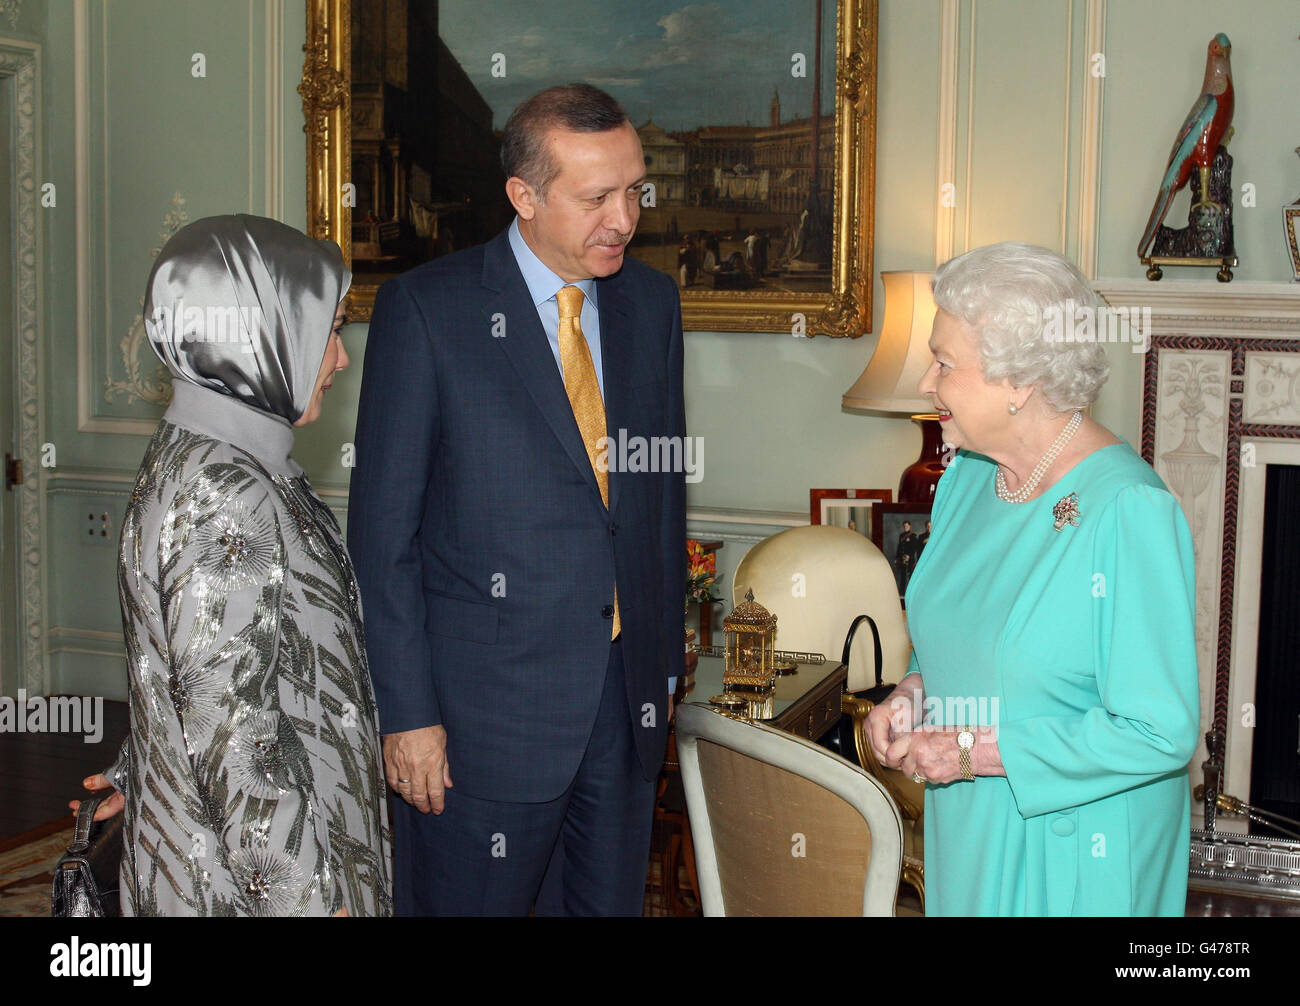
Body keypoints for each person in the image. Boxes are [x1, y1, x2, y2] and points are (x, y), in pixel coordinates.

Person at [348, 83, 686, 917]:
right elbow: (382, 539)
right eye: (597, 196)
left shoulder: (651, 305)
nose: (625, 218)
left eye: (635, 189)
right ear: (524, 196)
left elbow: (660, 497)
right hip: (478, 731)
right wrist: (407, 717)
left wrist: (664, 665)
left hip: (622, 711)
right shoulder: (428, 311)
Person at [72, 214, 393, 916]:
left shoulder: (209, 453)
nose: (339, 359)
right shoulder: (228, 490)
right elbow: (238, 733)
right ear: (258, 334)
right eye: (328, 330)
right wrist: (310, 904)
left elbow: (196, 673)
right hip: (242, 887)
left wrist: (143, 762)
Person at [867, 241, 1199, 916]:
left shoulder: (1127, 510)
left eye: (945, 363)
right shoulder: (968, 479)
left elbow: (1159, 731)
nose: (928, 383)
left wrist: (973, 750)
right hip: (975, 827)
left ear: (1018, 381)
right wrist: (916, 692)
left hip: (1076, 849)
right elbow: (974, 645)